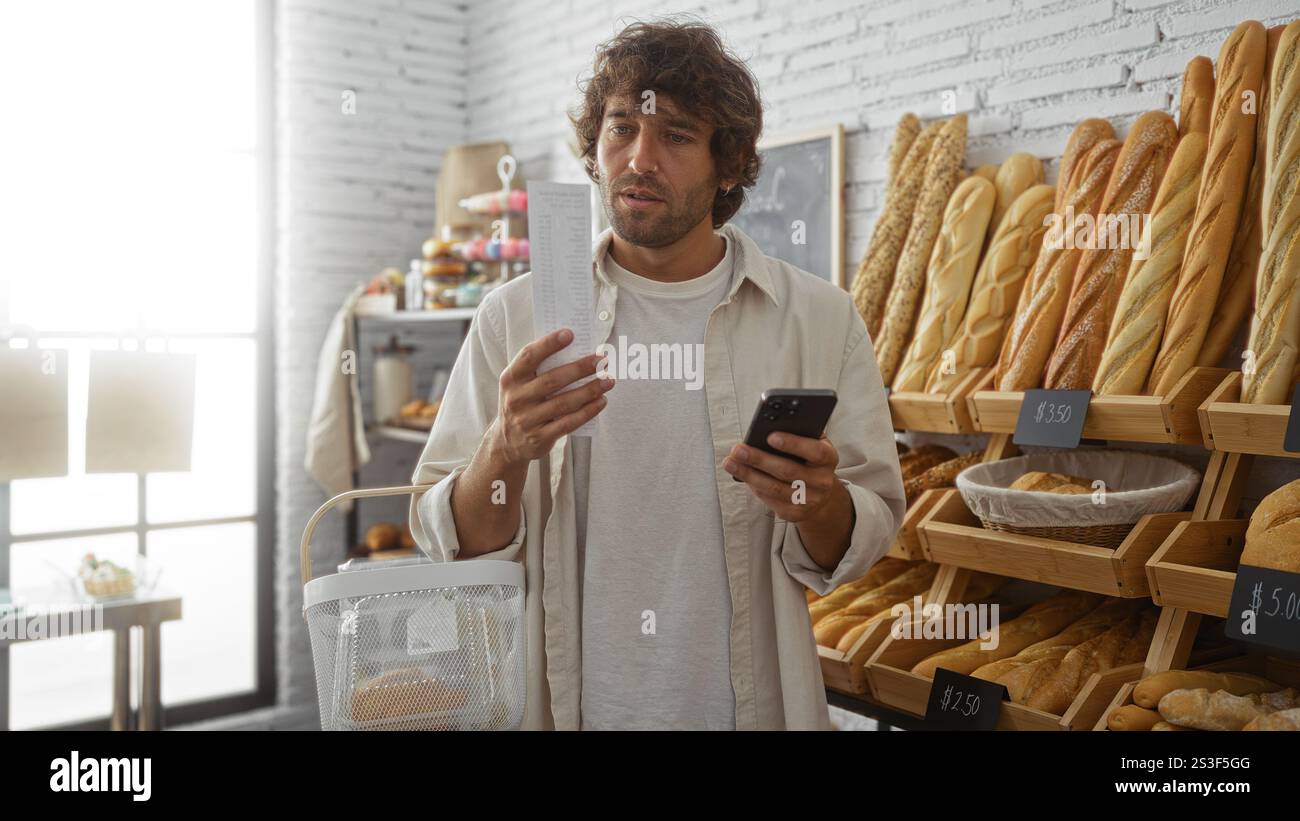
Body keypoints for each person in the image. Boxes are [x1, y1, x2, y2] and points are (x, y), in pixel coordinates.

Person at [410, 18, 905, 730]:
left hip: (750, 707)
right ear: (595, 146)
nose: (639, 158)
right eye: (620, 129)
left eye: (674, 135)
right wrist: (504, 449)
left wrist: (818, 501)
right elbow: (453, 543)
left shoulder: (818, 319)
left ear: (727, 164)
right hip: (570, 708)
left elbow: (865, 533)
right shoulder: (514, 317)